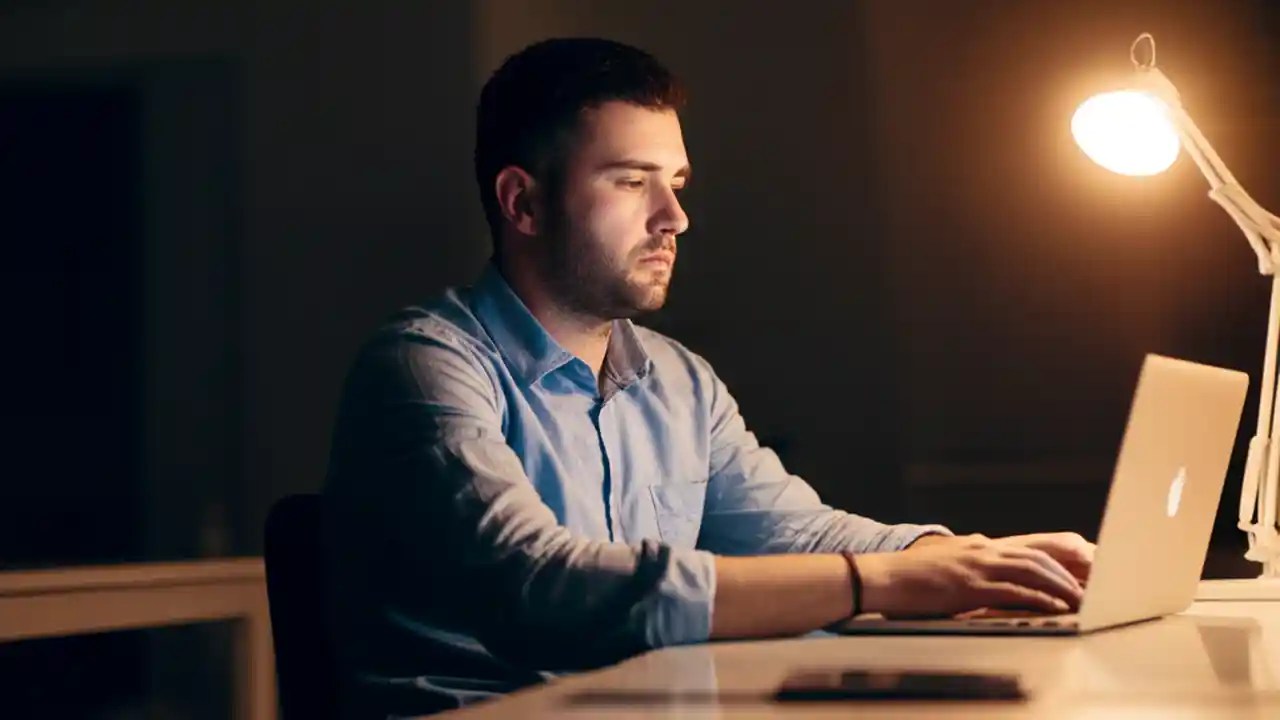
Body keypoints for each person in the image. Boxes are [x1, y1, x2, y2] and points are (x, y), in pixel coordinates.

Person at [324, 37, 1095, 717]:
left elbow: (801, 533)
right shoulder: (424, 366)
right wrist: (878, 583)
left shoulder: (677, 379)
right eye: (632, 182)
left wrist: (971, 559)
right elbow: (539, 587)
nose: (674, 218)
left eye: (678, 183)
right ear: (523, 201)